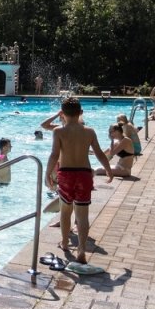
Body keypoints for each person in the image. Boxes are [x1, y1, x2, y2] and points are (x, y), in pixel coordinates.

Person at [45, 98, 113, 265]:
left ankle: (65, 242)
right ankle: (82, 249)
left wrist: (47, 173)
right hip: (83, 174)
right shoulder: (89, 131)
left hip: (66, 174)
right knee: (82, 215)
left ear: (62, 113)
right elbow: (99, 153)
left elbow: (54, 154)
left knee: (65, 210)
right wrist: (108, 170)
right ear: (81, 112)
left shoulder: (59, 131)